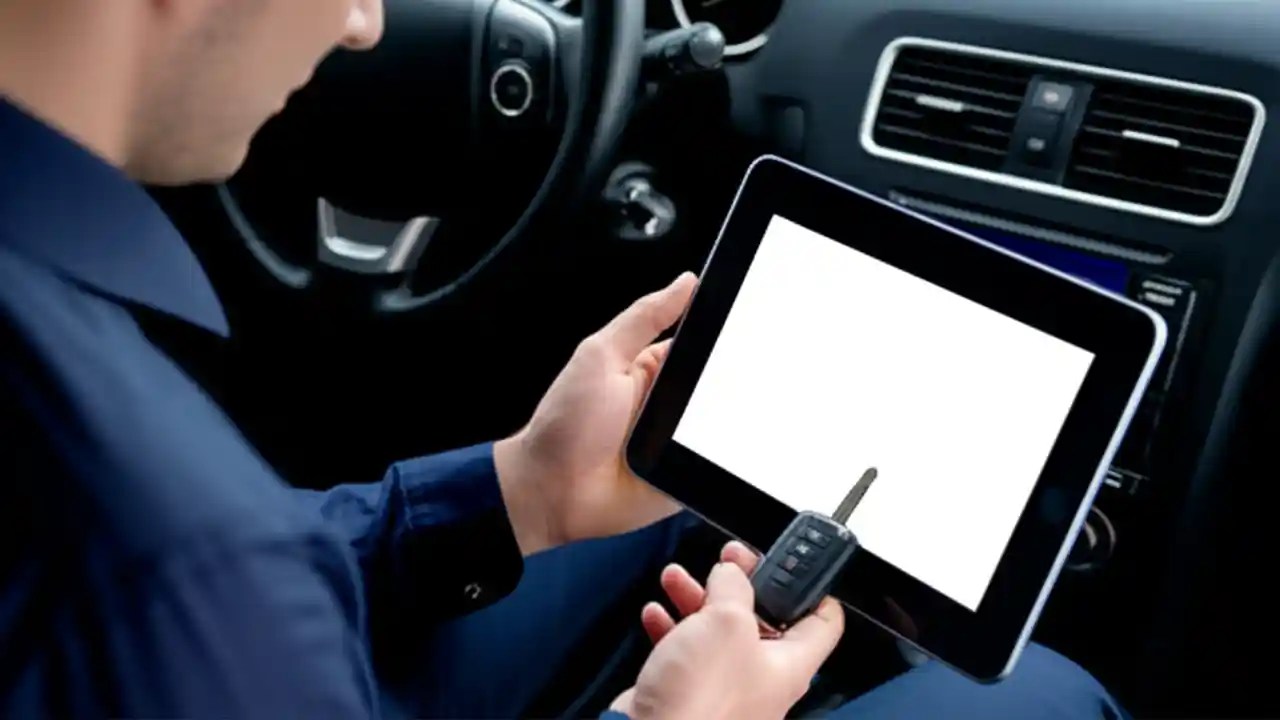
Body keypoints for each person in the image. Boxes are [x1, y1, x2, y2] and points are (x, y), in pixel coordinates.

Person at [0, 0, 1130, 717]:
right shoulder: (170, 552)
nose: (361, 25)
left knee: (666, 513)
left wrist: (519, 490)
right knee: (1039, 694)